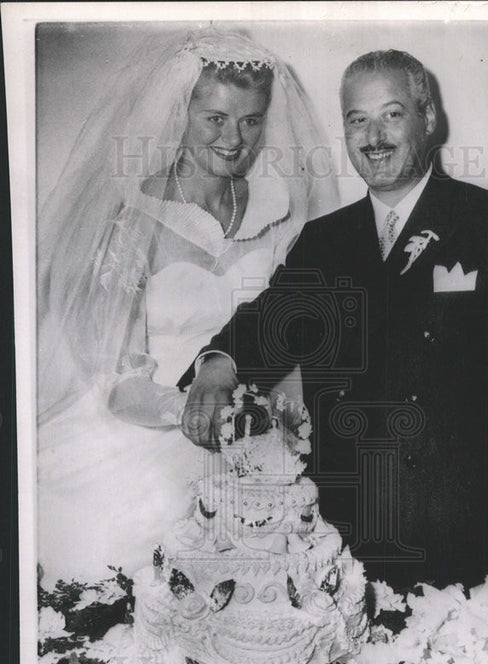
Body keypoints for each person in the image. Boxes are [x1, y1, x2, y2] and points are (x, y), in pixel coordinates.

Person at [180, 49, 488, 591]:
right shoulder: (326, 239)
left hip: (454, 522)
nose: (373, 136)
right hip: (343, 527)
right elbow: (269, 320)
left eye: (391, 114)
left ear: (427, 119)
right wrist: (217, 363)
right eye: (357, 120)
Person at [37, 28, 338, 585]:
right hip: (154, 425)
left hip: (259, 424)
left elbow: (297, 329)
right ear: (181, 112)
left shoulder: (279, 211)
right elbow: (117, 381)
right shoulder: (134, 217)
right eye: (215, 119)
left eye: (251, 120)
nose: (234, 139)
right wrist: (200, 413)